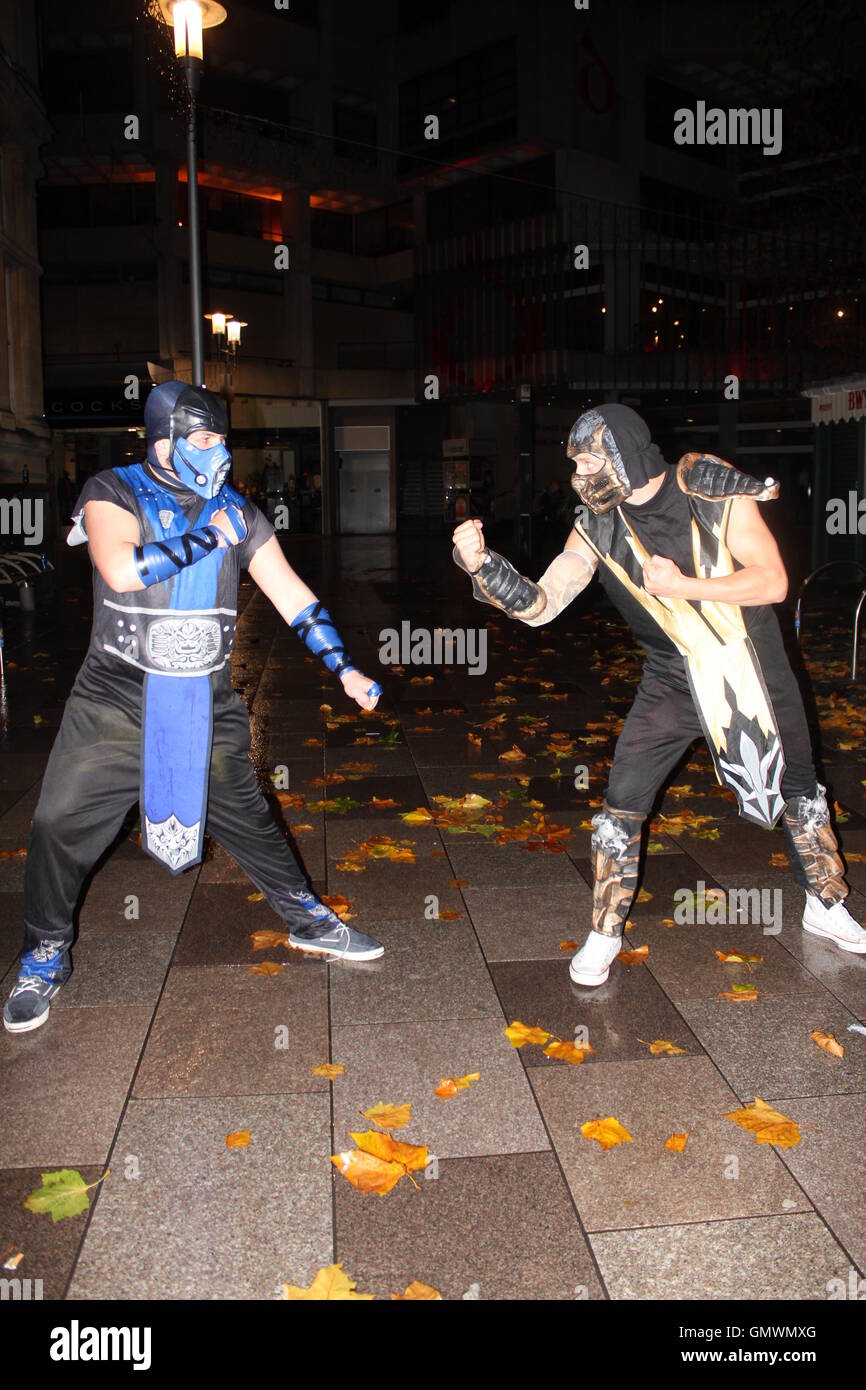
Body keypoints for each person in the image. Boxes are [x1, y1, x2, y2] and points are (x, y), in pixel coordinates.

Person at [4, 381, 384, 1035]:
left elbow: (292, 595)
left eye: (222, 440)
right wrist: (209, 538)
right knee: (58, 822)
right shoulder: (112, 490)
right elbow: (122, 570)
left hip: (204, 696)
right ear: (165, 441)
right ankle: (44, 950)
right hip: (115, 697)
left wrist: (342, 666)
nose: (220, 454)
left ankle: (307, 919)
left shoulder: (238, 509)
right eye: (205, 440)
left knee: (250, 818)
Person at [452, 403, 866, 987]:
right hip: (672, 677)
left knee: (799, 790)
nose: (581, 472)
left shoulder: (709, 489)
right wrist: (482, 567)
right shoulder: (594, 525)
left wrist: (684, 585)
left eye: (592, 457)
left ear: (624, 450)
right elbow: (542, 605)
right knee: (622, 801)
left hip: (752, 667)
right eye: (576, 461)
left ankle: (824, 905)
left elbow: (772, 581)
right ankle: (604, 932)